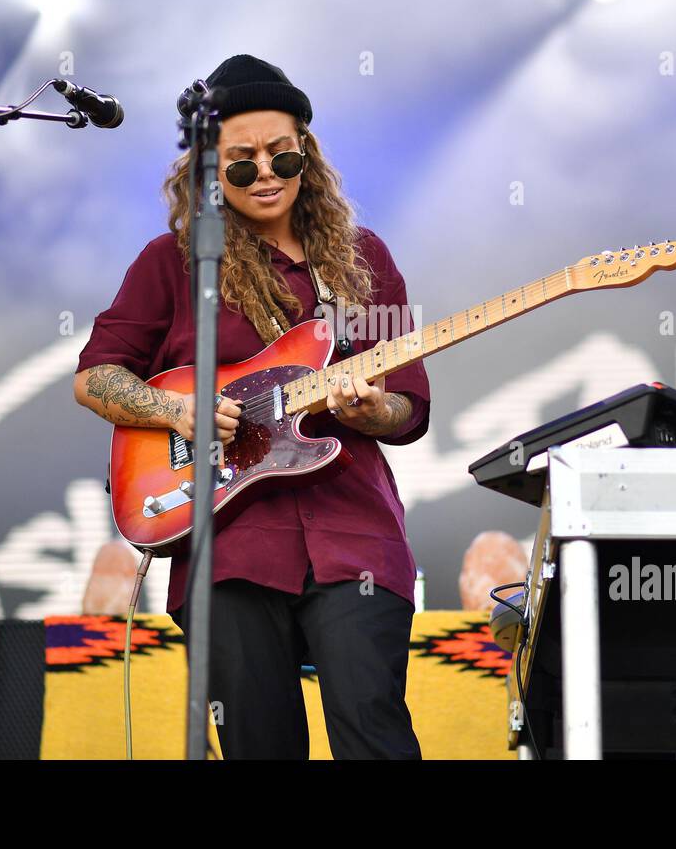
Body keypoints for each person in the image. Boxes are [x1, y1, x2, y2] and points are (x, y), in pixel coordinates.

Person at [73, 54, 430, 759]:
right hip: (227, 550)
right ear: (210, 170)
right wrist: (176, 412)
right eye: (241, 163)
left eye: (281, 155)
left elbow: (409, 406)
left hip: (354, 538)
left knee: (375, 735)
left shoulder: (366, 261)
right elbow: (95, 377)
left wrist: (368, 412)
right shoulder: (170, 263)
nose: (264, 173)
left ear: (307, 153)